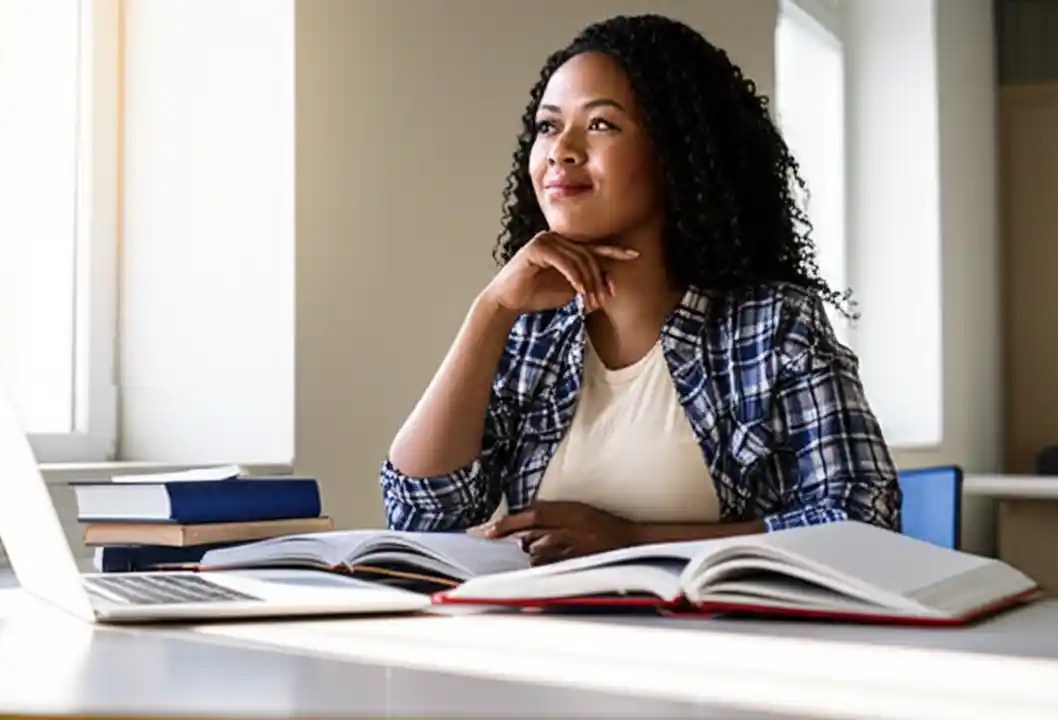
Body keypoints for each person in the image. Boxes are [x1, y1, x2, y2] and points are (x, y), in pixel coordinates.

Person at [378, 14, 900, 565]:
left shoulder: (772, 324)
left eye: (601, 125)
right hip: (548, 640)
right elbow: (421, 518)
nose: (562, 151)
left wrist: (633, 540)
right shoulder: (531, 333)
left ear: (674, 153)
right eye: (548, 127)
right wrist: (491, 309)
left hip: (727, 640)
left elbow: (864, 516)